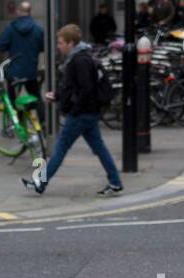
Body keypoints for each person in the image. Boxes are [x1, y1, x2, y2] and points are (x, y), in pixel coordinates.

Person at [23, 24, 123, 197]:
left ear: (71, 43)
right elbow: (73, 88)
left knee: (60, 148)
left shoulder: (79, 60)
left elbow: (86, 89)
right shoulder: (78, 58)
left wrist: (74, 110)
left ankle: (41, 182)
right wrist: (58, 96)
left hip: (81, 114)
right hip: (88, 113)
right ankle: (115, 182)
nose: (58, 46)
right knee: (99, 149)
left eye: (61, 43)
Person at [0, 2, 46, 124]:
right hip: (31, 71)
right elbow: (43, 47)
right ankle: (44, 123)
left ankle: (18, 125)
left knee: (13, 100)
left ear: (18, 12)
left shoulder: (11, 28)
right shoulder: (37, 28)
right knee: (37, 98)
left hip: (14, 72)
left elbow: (1, 46)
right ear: (30, 12)